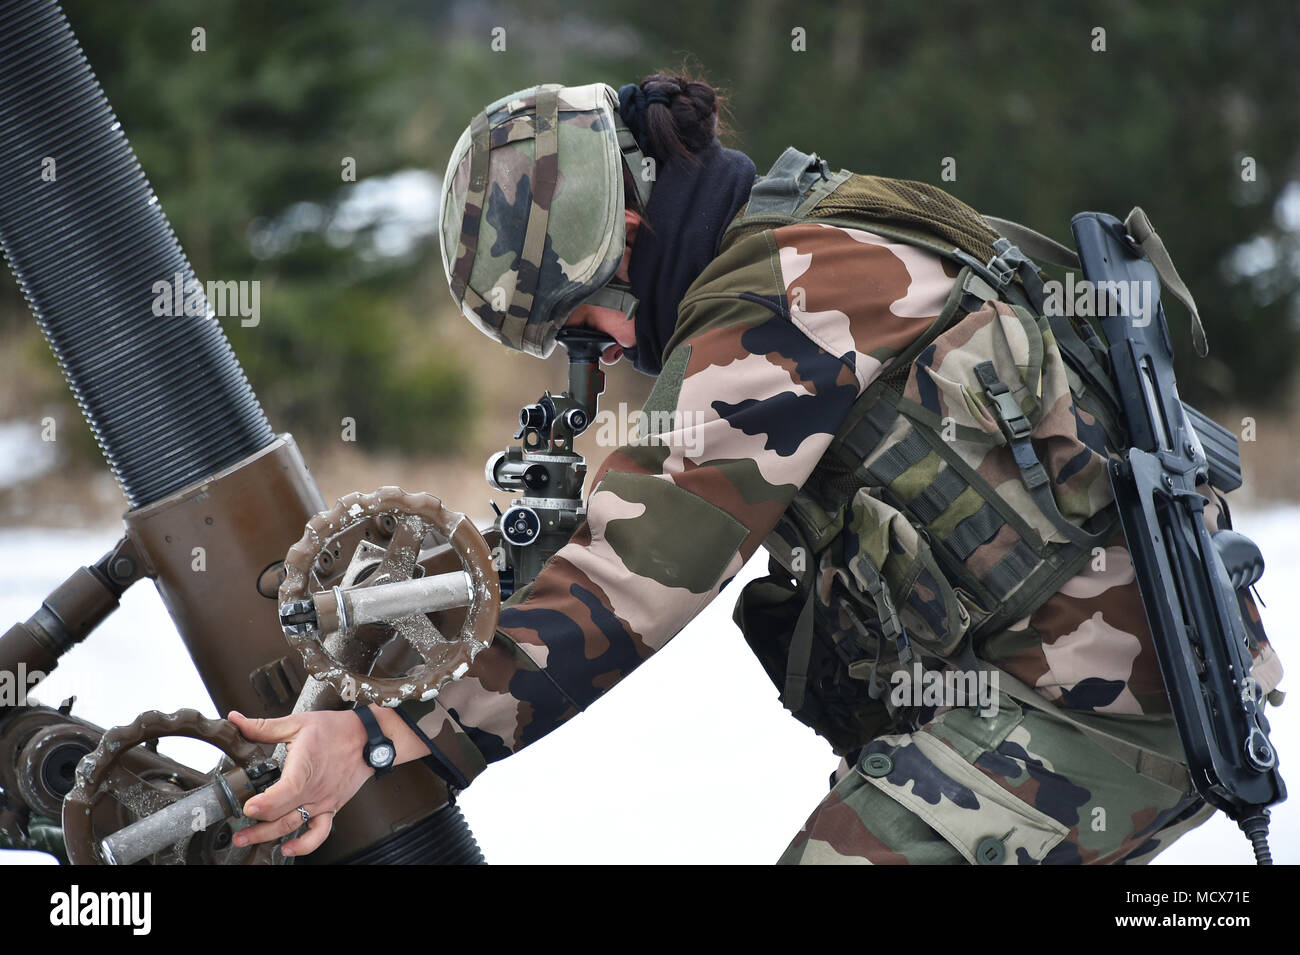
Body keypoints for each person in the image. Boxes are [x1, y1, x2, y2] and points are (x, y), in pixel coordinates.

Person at [227, 72, 1283, 864]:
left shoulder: (789, 293)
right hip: (1080, 684)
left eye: (578, 311)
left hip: (1097, 709)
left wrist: (389, 735)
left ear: (628, 228)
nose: (594, 345)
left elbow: (635, 572)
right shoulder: (805, 226)